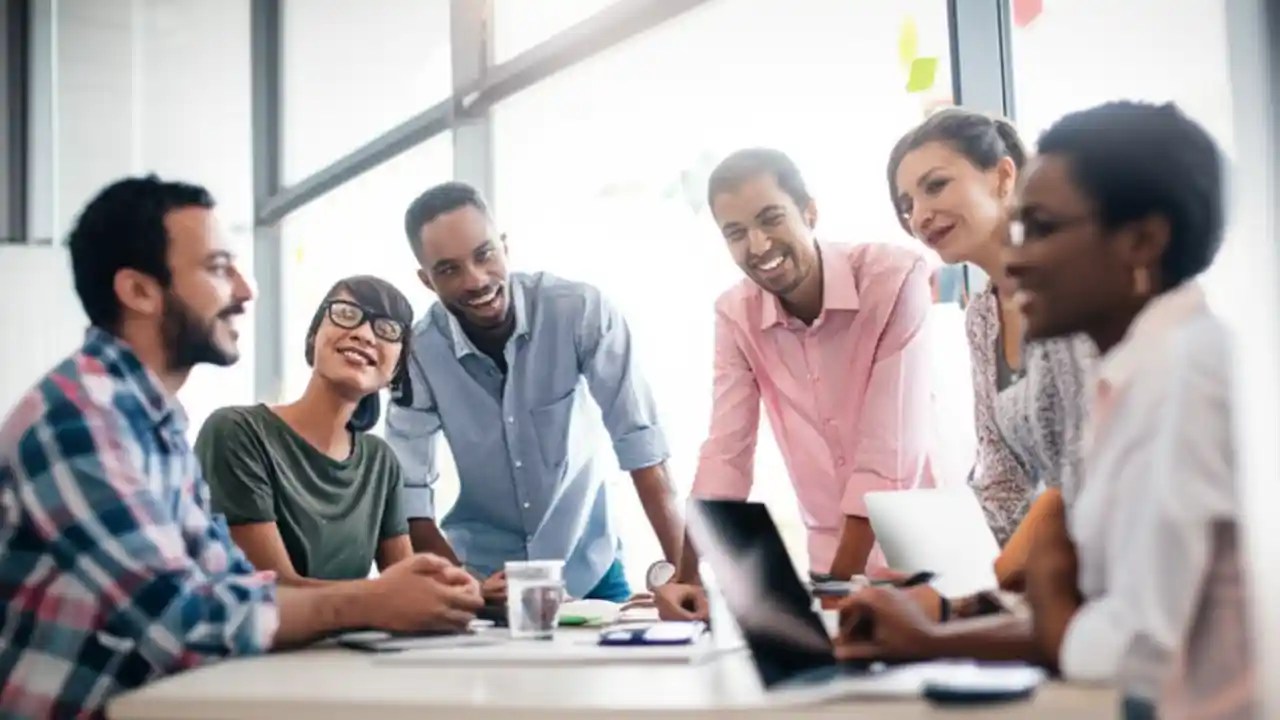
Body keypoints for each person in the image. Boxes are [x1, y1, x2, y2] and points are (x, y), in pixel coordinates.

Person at [0, 176, 482, 718]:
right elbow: (181, 621)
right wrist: (371, 600)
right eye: (216, 268)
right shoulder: (81, 419)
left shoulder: (150, 422)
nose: (245, 291)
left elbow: (230, 584)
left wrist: (455, 593)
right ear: (139, 291)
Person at [837, 102, 1254, 720]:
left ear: (1142, 241)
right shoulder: (1142, 374)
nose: (1021, 256)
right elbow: (1103, 611)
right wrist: (957, 617)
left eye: (1043, 228)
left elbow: (1134, 640)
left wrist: (1013, 596)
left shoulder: (1182, 382)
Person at [656, 147, 936, 620]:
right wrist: (686, 578)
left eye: (771, 219)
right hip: (830, 559)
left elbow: (886, 457)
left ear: (809, 211)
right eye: (736, 233)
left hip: (920, 557)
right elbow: (725, 456)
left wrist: (836, 591)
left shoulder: (894, 278)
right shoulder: (735, 314)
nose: (759, 245)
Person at [385, 181, 683, 603]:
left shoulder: (579, 311)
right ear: (427, 280)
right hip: (485, 580)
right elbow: (409, 493)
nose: (476, 280)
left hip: (587, 567)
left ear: (504, 246)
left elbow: (642, 447)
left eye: (484, 254)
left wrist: (684, 572)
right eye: (449, 269)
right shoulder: (418, 354)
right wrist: (462, 584)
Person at [887, 108, 1093, 582]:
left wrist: (987, 584)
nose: (919, 216)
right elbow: (1003, 482)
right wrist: (930, 569)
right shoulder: (981, 316)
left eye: (935, 186)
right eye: (907, 204)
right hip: (1062, 573)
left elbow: (1090, 477)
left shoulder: (1075, 286)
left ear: (1003, 176)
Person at [196, 276, 416, 585]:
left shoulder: (381, 462)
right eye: (347, 314)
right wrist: (380, 598)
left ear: (396, 370)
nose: (365, 334)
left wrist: (475, 591)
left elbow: (407, 585)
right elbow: (275, 593)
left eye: (388, 330)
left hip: (354, 634)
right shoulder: (237, 432)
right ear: (314, 337)